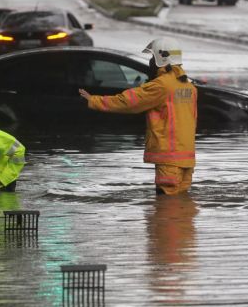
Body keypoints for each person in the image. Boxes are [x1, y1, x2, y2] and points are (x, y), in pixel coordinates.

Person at [79, 37, 198, 195]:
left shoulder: (162, 85)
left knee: (166, 211)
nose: (150, 62)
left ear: (161, 59)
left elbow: (128, 102)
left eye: (152, 58)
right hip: (186, 160)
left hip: (169, 160)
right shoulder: (188, 86)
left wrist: (94, 100)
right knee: (181, 210)